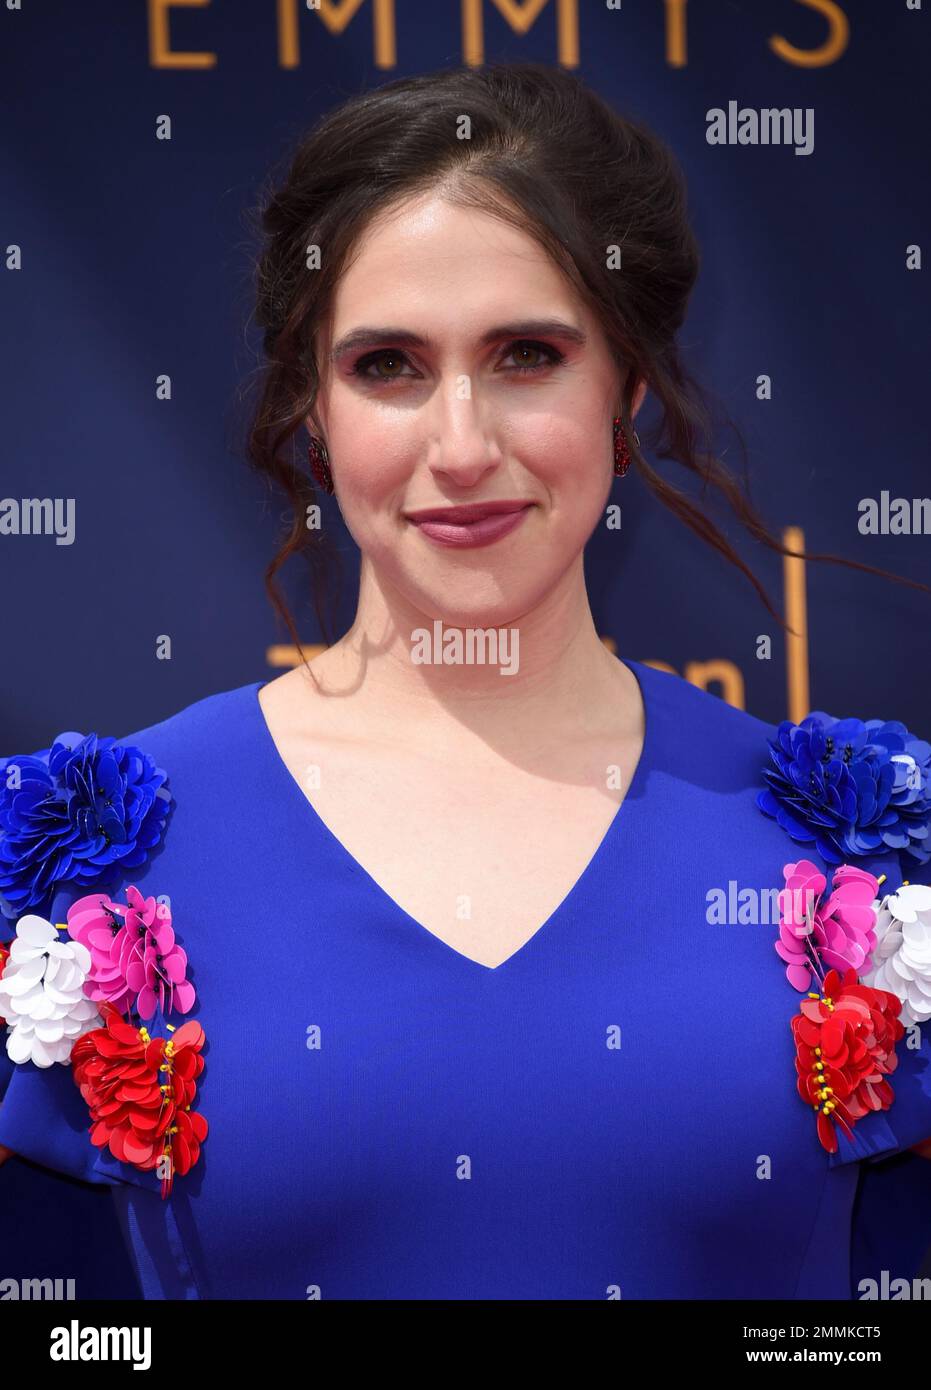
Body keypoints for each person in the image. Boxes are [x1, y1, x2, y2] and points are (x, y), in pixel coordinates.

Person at [1, 61, 929, 1301]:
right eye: (388, 365)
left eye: (527, 355)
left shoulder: (864, 866)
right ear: (310, 407)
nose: (460, 447)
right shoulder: (85, 869)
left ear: (628, 385)